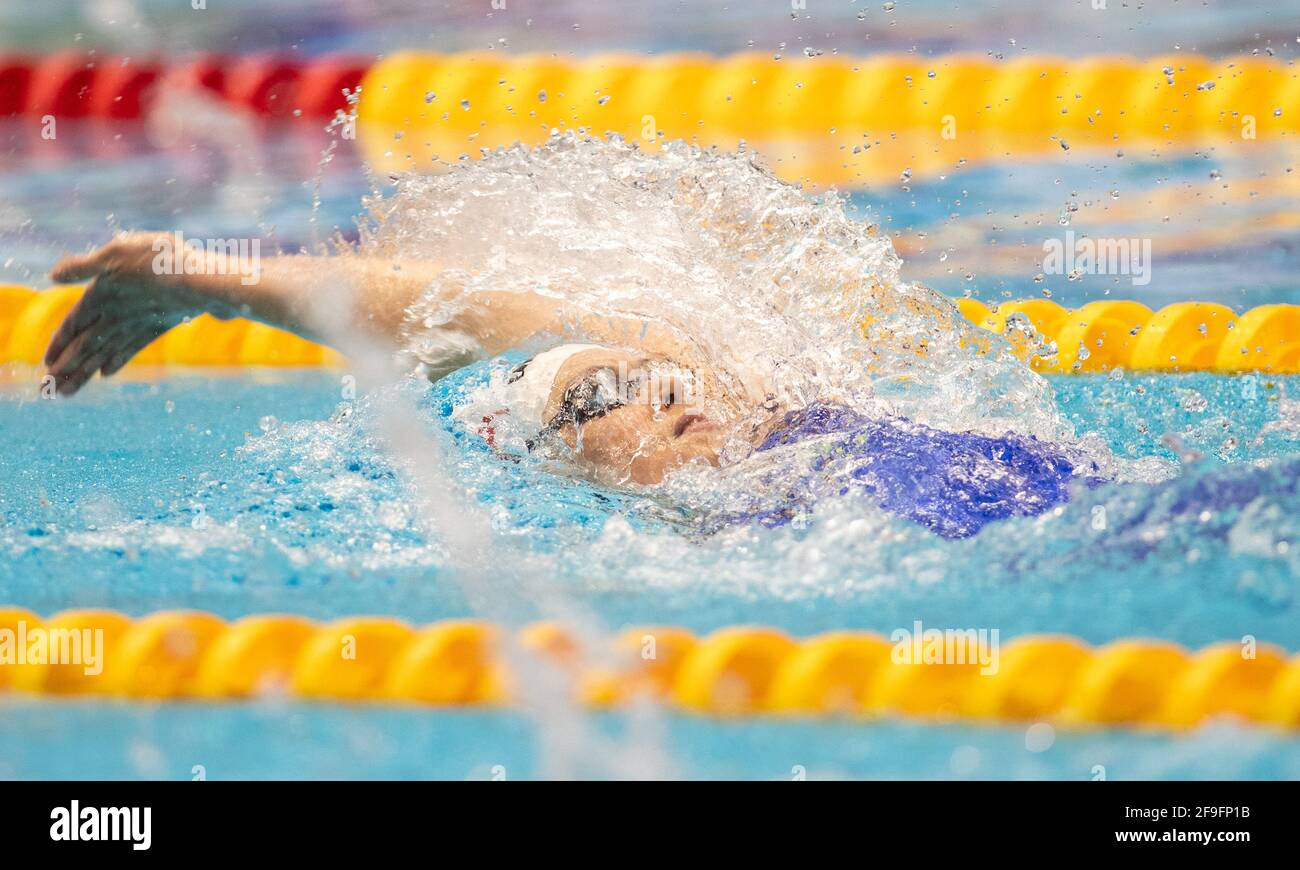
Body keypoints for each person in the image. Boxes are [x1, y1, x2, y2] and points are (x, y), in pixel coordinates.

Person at [44, 232, 1099, 538]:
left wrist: (207, 279)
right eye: (596, 400)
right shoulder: (689, 556)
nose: (655, 391)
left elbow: (439, 307)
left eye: (649, 371)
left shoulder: (780, 406)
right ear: (561, 468)